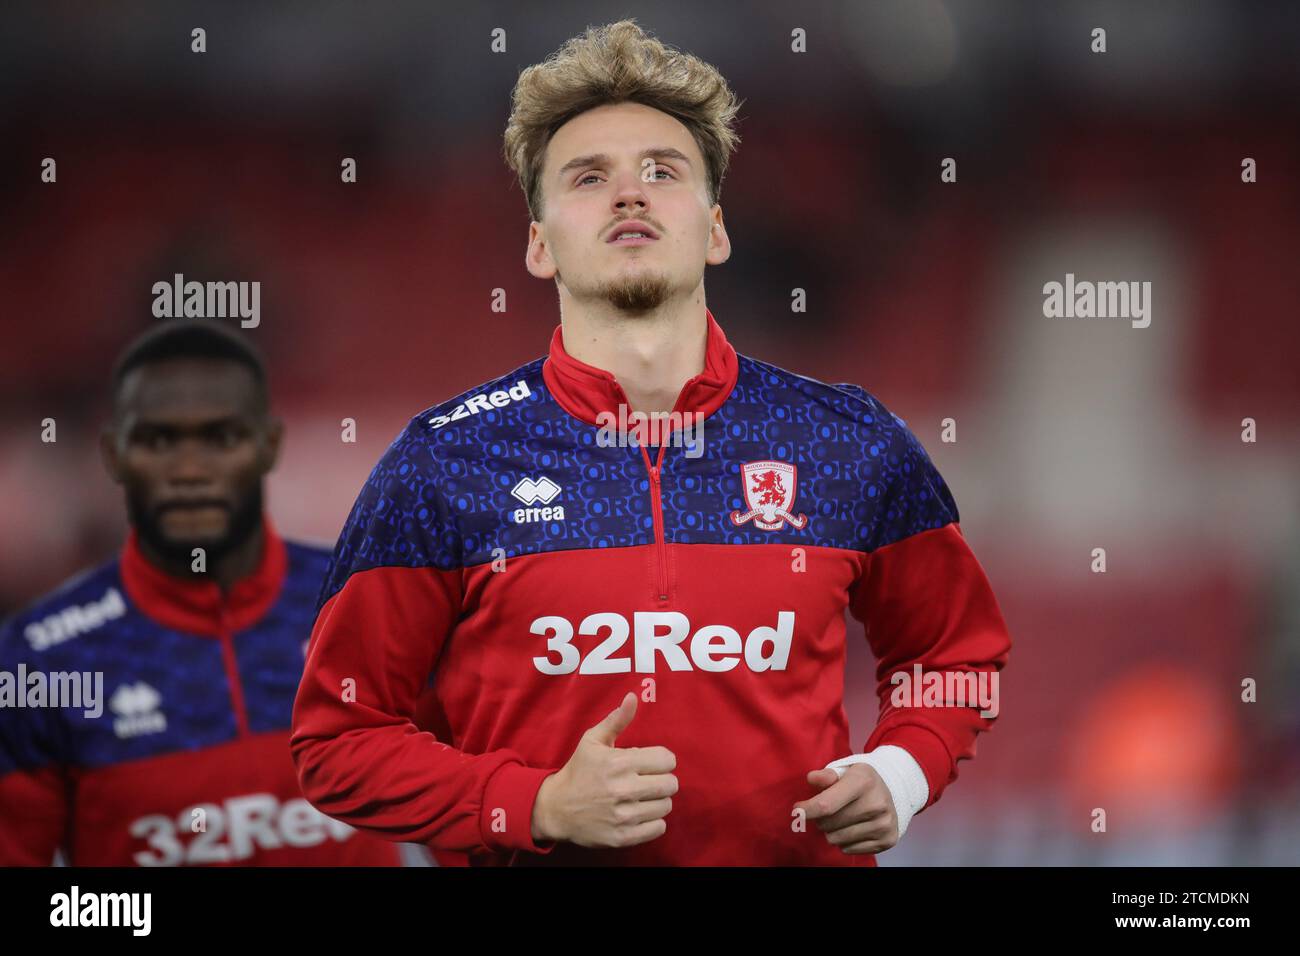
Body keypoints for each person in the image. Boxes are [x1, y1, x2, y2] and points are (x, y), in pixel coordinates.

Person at [291, 19, 1012, 866]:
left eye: (662, 172)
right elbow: (336, 740)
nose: (629, 194)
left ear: (714, 230)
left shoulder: (846, 441)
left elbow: (952, 652)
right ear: (537, 243)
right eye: (589, 177)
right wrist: (532, 803)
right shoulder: (443, 464)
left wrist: (903, 769)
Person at [0, 320, 400, 865]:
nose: (189, 470)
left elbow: (471, 829)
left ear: (269, 446)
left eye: (220, 438)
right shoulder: (39, 664)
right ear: (114, 454)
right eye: (159, 440)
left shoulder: (369, 605)